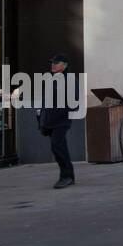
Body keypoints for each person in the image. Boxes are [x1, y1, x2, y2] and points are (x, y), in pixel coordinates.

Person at [39, 53, 77, 188]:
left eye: (57, 62)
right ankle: (67, 175)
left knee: (58, 146)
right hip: (49, 120)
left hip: (61, 120)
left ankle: (66, 176)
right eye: (52, 62)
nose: (53, 65)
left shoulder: (70, 80)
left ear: (64, 65)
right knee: (57, 148)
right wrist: (41, 118)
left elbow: (74, 103)